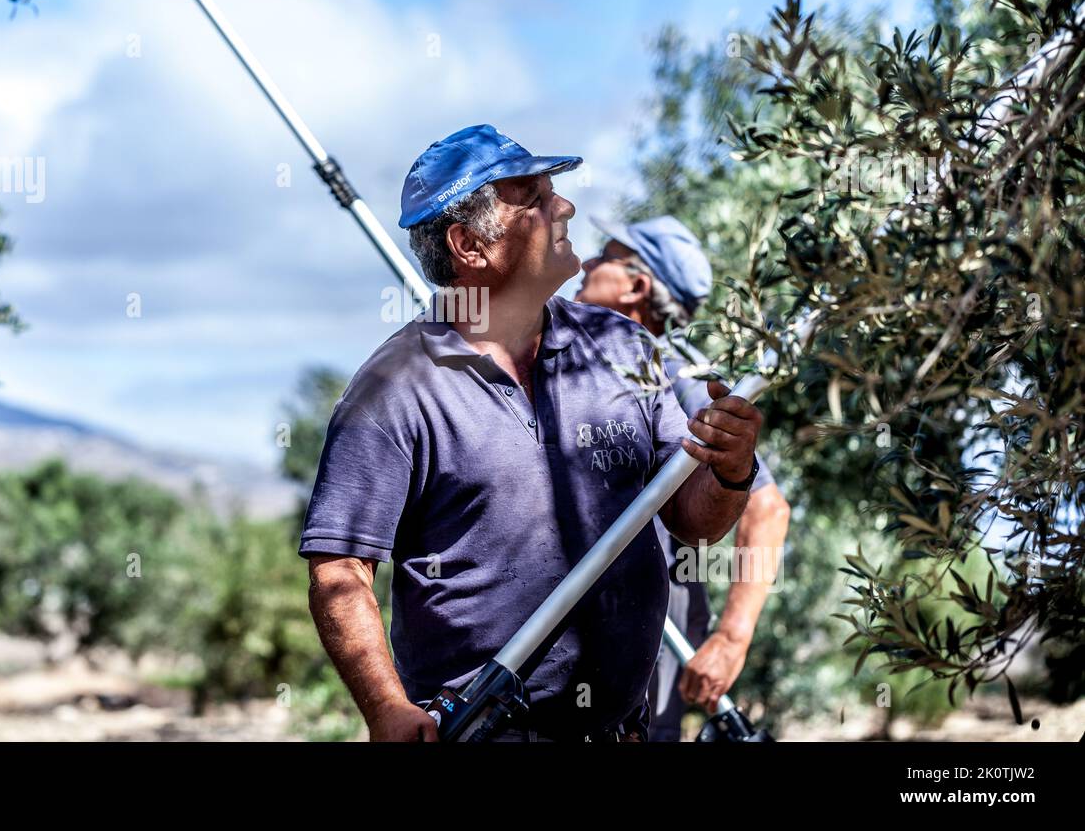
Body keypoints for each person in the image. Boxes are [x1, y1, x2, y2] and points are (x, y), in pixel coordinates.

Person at [298, 125, 764, 741]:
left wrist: (729, 468)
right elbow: (340, 574)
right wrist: (387, 708)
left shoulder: (621, 346)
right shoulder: (393, 390)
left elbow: (691, 518)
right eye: (534, 198)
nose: (564, 206)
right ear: (469, 244)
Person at [575, 215, 792, 740]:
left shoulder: (674, 375)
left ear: (636, 286)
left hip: (653, 626)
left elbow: (767, 508)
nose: (585, 263)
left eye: (604, 255)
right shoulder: (597, 367)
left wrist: (732, 639)